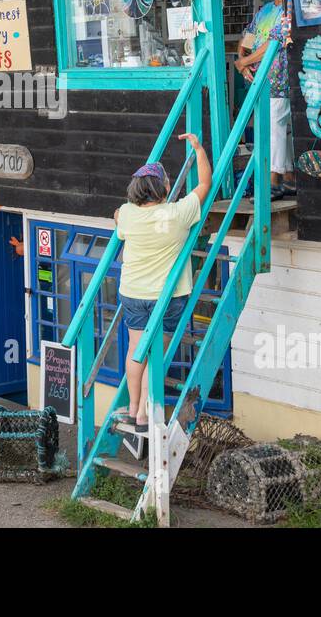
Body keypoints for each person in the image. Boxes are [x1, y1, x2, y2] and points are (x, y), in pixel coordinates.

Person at [112, 132, 212, 458]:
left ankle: (134, 409)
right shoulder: (178, 214)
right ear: (164, 189)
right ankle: (145, 411)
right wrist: (198, 149)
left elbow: (118, 216)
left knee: (136, 351)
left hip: (133, 293)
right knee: (159, 354)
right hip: (168, 298)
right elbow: (205, 185)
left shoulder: (127, 214)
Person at [234, 0, 294, 198]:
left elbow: (274, 43)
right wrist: (241, 60)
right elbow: (249, 36)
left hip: (281, 78)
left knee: (274, 126)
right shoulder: (265, 10)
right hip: (260, 80)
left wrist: (244, 62)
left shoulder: (288, 8)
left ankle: (274, 180)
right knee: (277, 127)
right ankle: (289, 178)